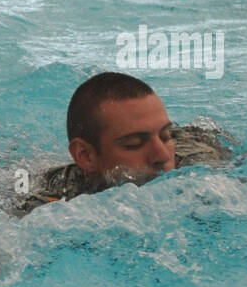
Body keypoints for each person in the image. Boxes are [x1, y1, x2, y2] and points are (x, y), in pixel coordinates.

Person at [13, 72, 234, 216]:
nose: (162, 156)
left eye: (166, 136)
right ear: (86, 156)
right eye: (135, 144)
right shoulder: (49, 201)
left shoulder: (203, 173)